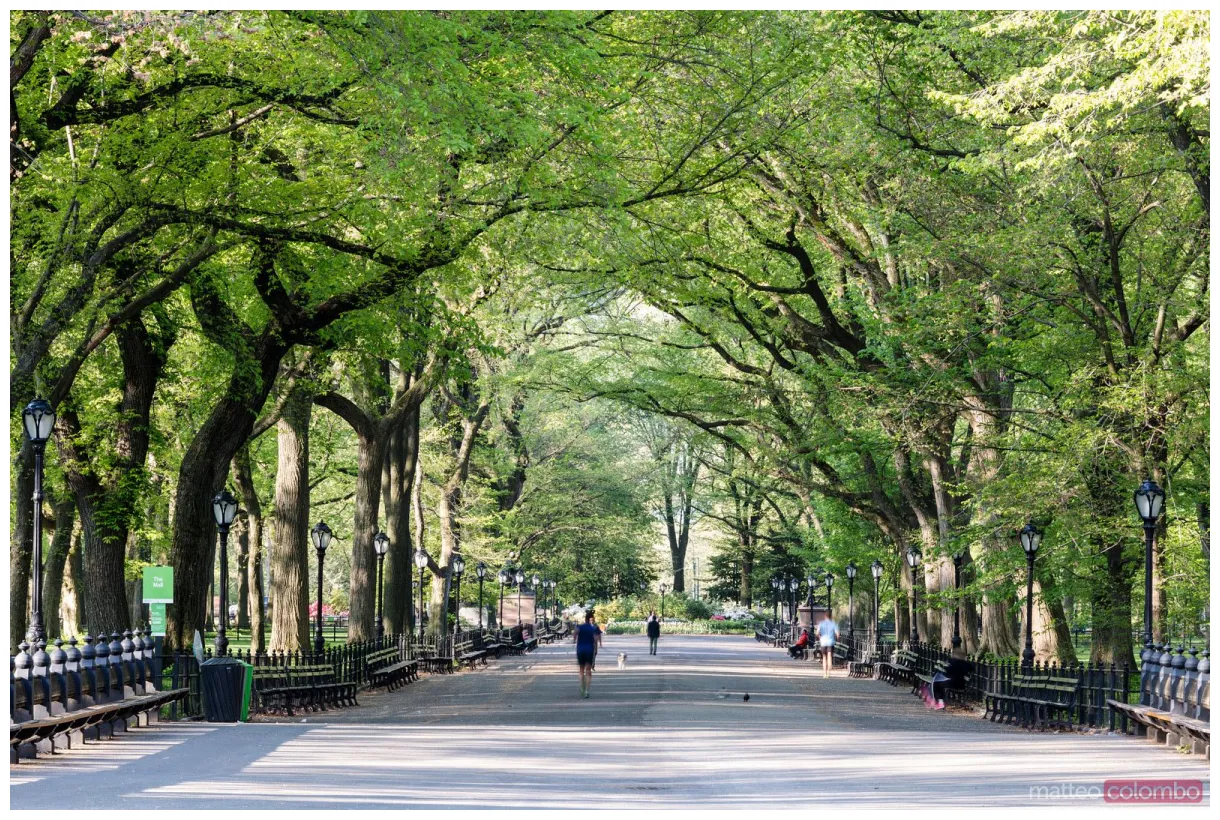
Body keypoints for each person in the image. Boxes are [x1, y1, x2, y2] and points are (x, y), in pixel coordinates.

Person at [575, 609, 603, 698]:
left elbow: (575, 634)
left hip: (580, 650)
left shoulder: (580, 627)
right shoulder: (592, 628)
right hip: (589, 650)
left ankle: (581, 685)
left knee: (581, 669)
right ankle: (587, 690)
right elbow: (595, 639)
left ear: (585, 619)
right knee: (588, 670)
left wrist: (574, 640)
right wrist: (597, 647)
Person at [815, 612, 839, 679]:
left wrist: (820, 638)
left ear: (825, 616)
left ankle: (824, 674)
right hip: (831, 642)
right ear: (831, 616)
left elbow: (817, 633)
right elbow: (837, 634)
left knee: (824, 658)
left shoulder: (821, 623)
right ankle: (828, 673)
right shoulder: (833, 624)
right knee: (829, 657)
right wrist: (836, 639)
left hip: (823, 642)